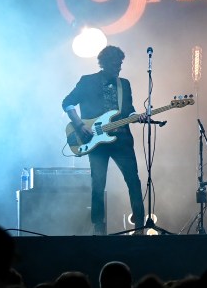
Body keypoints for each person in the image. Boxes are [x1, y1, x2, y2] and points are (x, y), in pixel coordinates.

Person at [62, 45, 147, 235]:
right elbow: (67, 103)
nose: (119, 67)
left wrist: (137, 115)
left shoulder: (124, 84)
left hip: (122, 140)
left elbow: (129, 109)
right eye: (115, 64)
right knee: (98, 184)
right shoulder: (87, 81)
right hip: (96, 141)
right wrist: (79, 125)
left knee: (134, 181)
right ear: (105, 63)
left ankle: (139, 227)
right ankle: (98, 228)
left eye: (120, 64)